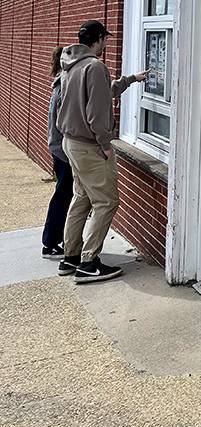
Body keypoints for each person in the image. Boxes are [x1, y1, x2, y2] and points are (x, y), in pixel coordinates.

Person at [56, 20, 148, 283]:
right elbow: (97, 113)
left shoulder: (71, 65)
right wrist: (106, 145)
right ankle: (89, 263)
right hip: (90, 147)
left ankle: (70, 258)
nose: (106, 43)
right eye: (105, 38)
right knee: (107, 202)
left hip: (71, 143)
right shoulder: (95, 67)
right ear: (98, 39)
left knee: (81, 200)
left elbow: (101, 94)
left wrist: (130, 79)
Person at [41, 45, 73, 257]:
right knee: (63, 195)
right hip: (62, 151)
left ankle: (53, 240)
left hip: (58, 148)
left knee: (63, 194)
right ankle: (51, 242)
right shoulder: (63, 88)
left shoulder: (59, 85)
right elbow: (64, 124)